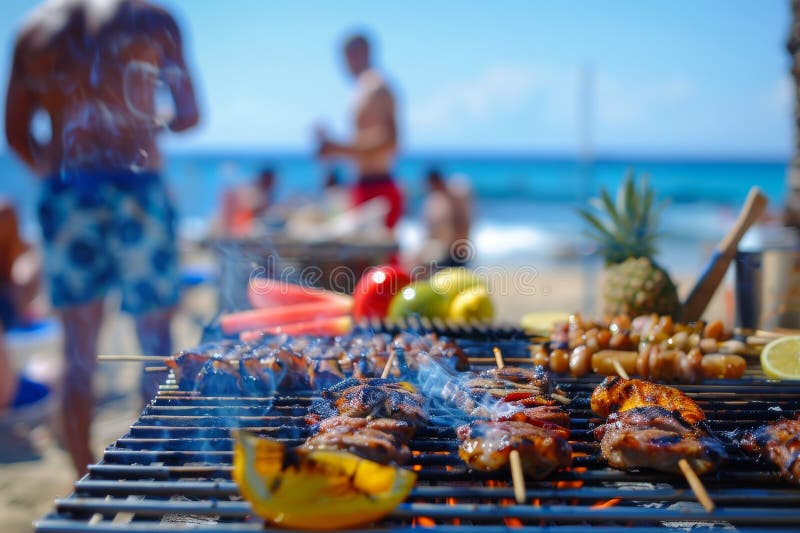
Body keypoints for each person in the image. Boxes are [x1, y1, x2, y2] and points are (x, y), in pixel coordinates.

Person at [4, 0, 199, 475]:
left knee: (77, 352)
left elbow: (14, 130)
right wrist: (144, 122)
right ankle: (156, 472)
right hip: (139, 188)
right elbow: (190, 114)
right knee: (155, 345)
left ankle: (82, 480)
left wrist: (56, 174)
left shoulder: (36, 27)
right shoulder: (151, 17)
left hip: (69, 193)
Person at [315, 32, 403, 231]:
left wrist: (337, 147)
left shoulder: (376, 86)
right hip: (367, 185)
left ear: (361, 52)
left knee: (377, 260)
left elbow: (390, 140)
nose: (344, 65)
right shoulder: (364, 88)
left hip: (378, 187)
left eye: (346, 57)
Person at [416, 168, 473, 270]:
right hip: (448, 249)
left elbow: (462, 224)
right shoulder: (438, 199)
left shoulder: (453, 198)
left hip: (452, 250)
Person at [219, 167, 276, 237]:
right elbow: (251, 208)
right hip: (241, 227)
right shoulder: (256, 192)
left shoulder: (259, 191)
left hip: (241, 226)